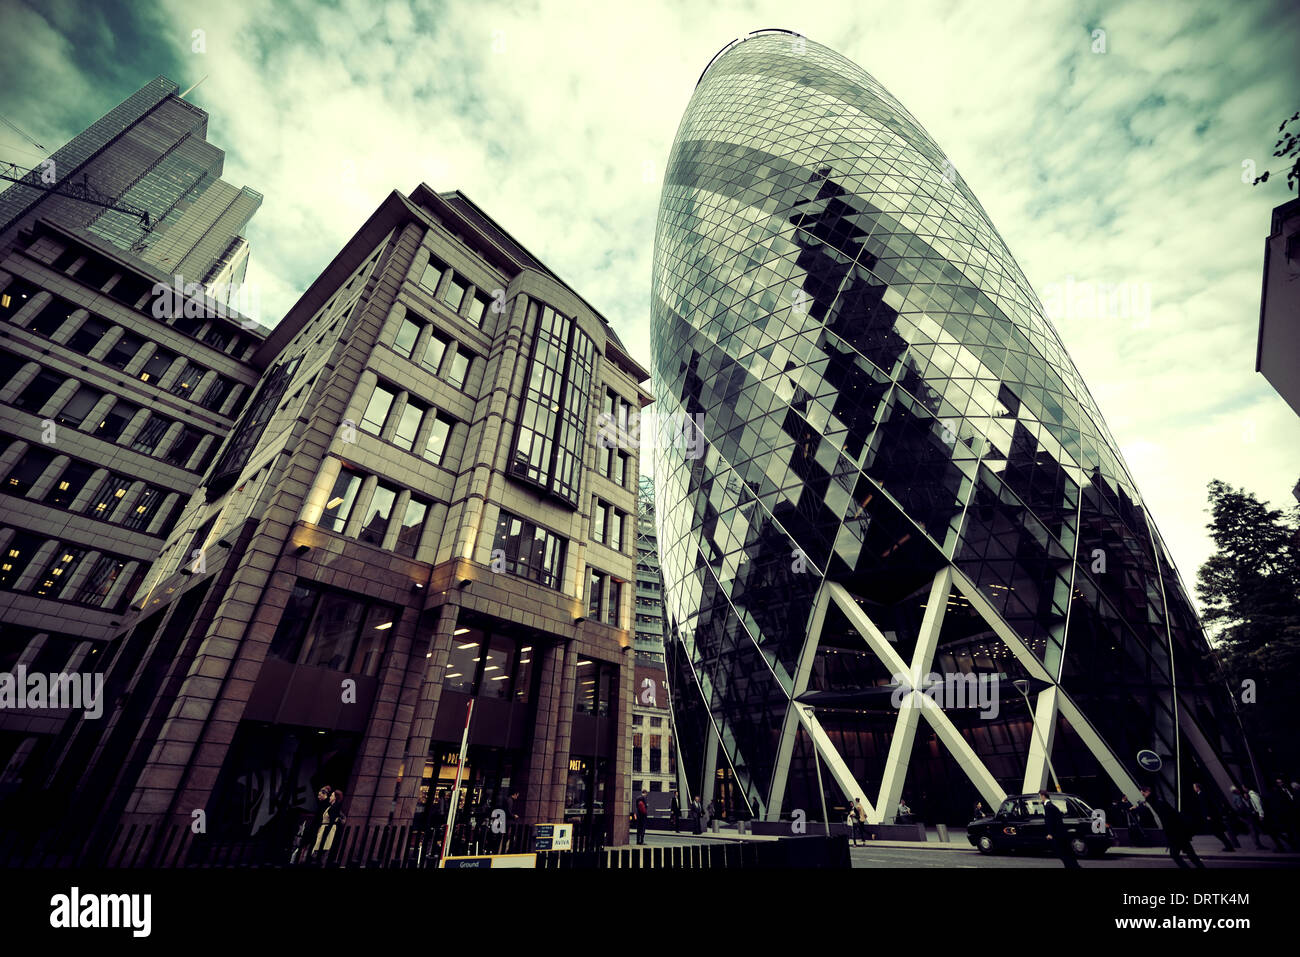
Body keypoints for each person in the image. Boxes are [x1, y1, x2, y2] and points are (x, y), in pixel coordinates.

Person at [1140, 785, 1204, 868]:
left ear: (1148, 792)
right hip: (1179, 833)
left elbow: (1168, 820)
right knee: (1190, 854)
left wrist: (1170, 835)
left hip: (1175, 834)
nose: (1143, 797)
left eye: (1143, 794)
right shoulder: (1158, 801)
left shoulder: (1158, 803)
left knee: (1176, 854)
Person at [1039, 790, 1080, 868]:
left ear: (1043, 796)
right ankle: (1074, 866)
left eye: (1040, 796)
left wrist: (1050, 833)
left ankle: (1071, 866)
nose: (1040, 798)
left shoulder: (1048, 806)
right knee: (1066, 851)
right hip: (1060, 833)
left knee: (1061, 853)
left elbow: (1050, 821)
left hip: (1057, 834)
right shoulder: (1051, 805)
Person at [1191, 782, 1236, 852]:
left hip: (1210, 817)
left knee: (1218, 832)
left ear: (1197, 788)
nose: (1193, 789)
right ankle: (1228, 846)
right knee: (1218, 832)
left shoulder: (1202, 794)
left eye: (1194, 787)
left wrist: (1208, 815)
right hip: (1210, 816)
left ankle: (1229, 846)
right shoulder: (1201, 794)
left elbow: (1206, 806)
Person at [312, 788, 346, 864]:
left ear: (335, 798)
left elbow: (332, 821)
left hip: (327, 831)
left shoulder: (334, 808)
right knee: (318, 850)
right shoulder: (330, 807)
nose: (330, 797)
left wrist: (336, 821)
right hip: (324, 829)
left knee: (322, 850)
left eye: (331, 796)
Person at [1229, 785, 1265, 849]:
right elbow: (1241, 806)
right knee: (1252, 829)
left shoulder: (1236, 796)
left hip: (1244, 815)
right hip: (1246, 815)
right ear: (1235, 791)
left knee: (1251, 829)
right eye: (1238, 789)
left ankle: (1235, 843)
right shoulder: (1237, 797)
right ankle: (1258, 844)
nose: (1240, 790)